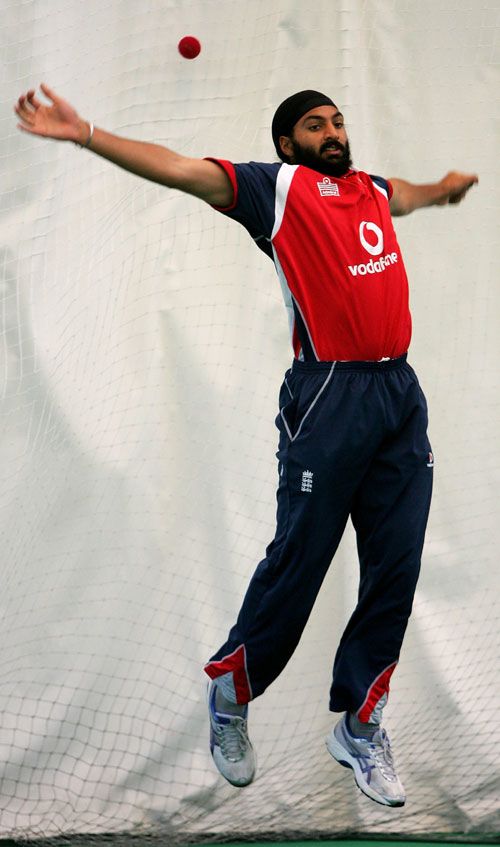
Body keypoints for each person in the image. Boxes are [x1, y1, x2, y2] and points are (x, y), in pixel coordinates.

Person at [15, 85, 478, 808]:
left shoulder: (369, 190)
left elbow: (406, 195)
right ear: (287, 143)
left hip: (398, 398)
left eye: (337, 120)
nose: (332, 131)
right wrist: (87, 134)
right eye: (314, 124)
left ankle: (360, 722)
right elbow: (176, 167)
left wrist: (443, 192)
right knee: (300, 559)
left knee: (399, 563)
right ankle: (232, 691)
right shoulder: (276, 190)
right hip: (328, 397)